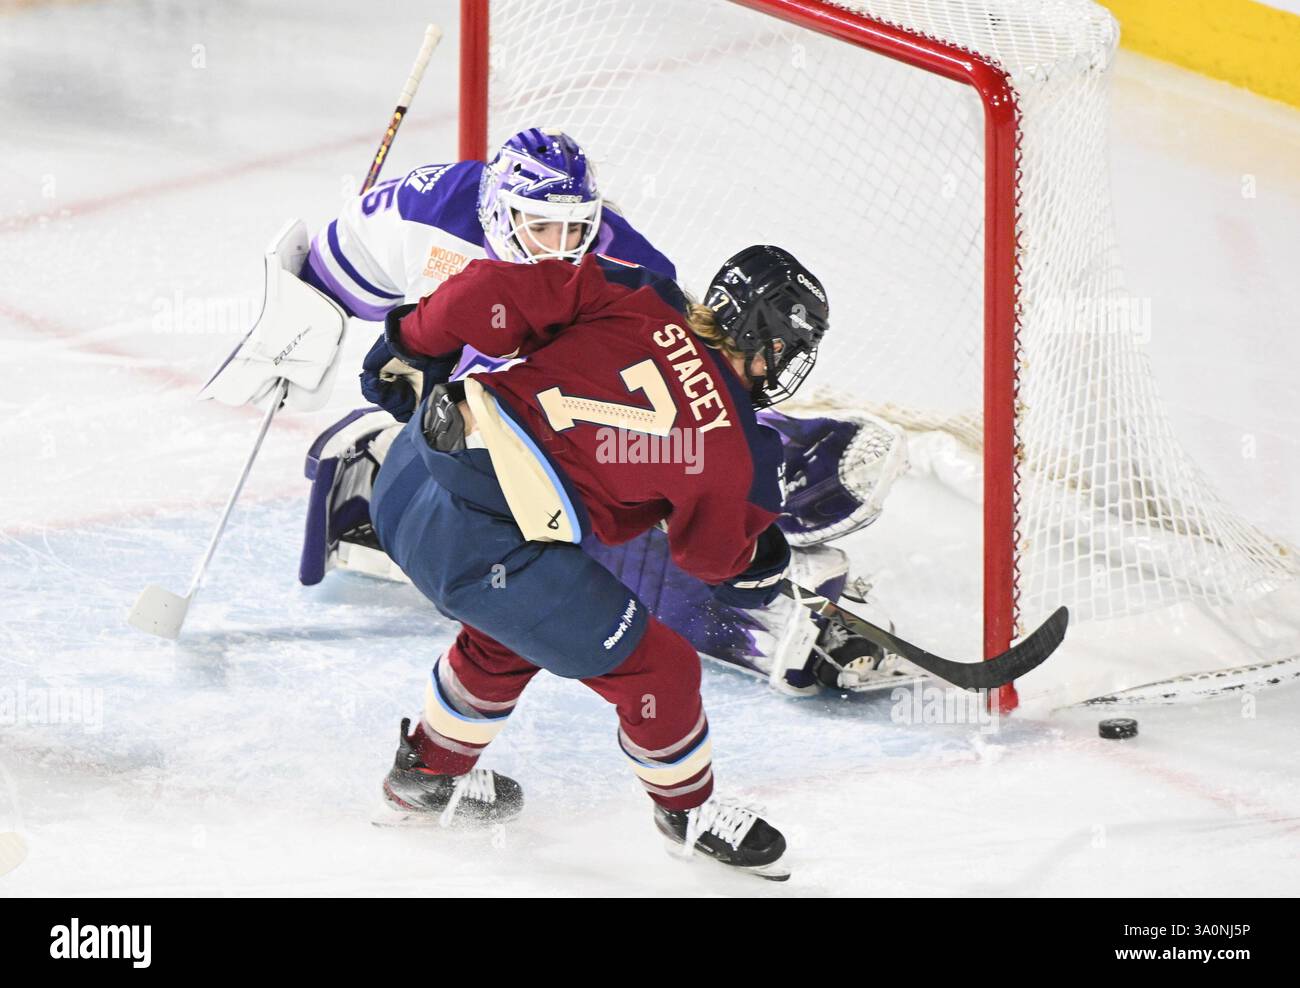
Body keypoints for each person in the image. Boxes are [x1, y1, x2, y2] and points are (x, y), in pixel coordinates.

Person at [297, 128, 915, 697]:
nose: (562, 246)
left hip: (509, 444)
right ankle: (732, 510)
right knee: (622, 535)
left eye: (576, 229)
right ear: (498, 208)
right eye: (543, 226)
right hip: (492, 455)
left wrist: (414, 341)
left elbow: (648, 382)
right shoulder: (433, 203)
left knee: (613, 485)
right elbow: (324, 272)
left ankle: (717, 497)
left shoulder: (634, 267)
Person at [362, 245, 830, 880]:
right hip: (479, 548)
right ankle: (687, 815)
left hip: (407, 474)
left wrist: (411, 339)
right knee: (661, 670)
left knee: (514, 631)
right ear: (770, 342)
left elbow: (500, 285)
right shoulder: (742, 449)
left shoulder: (644, 292)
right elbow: (712, 560)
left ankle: (425, 778)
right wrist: (762, 556)